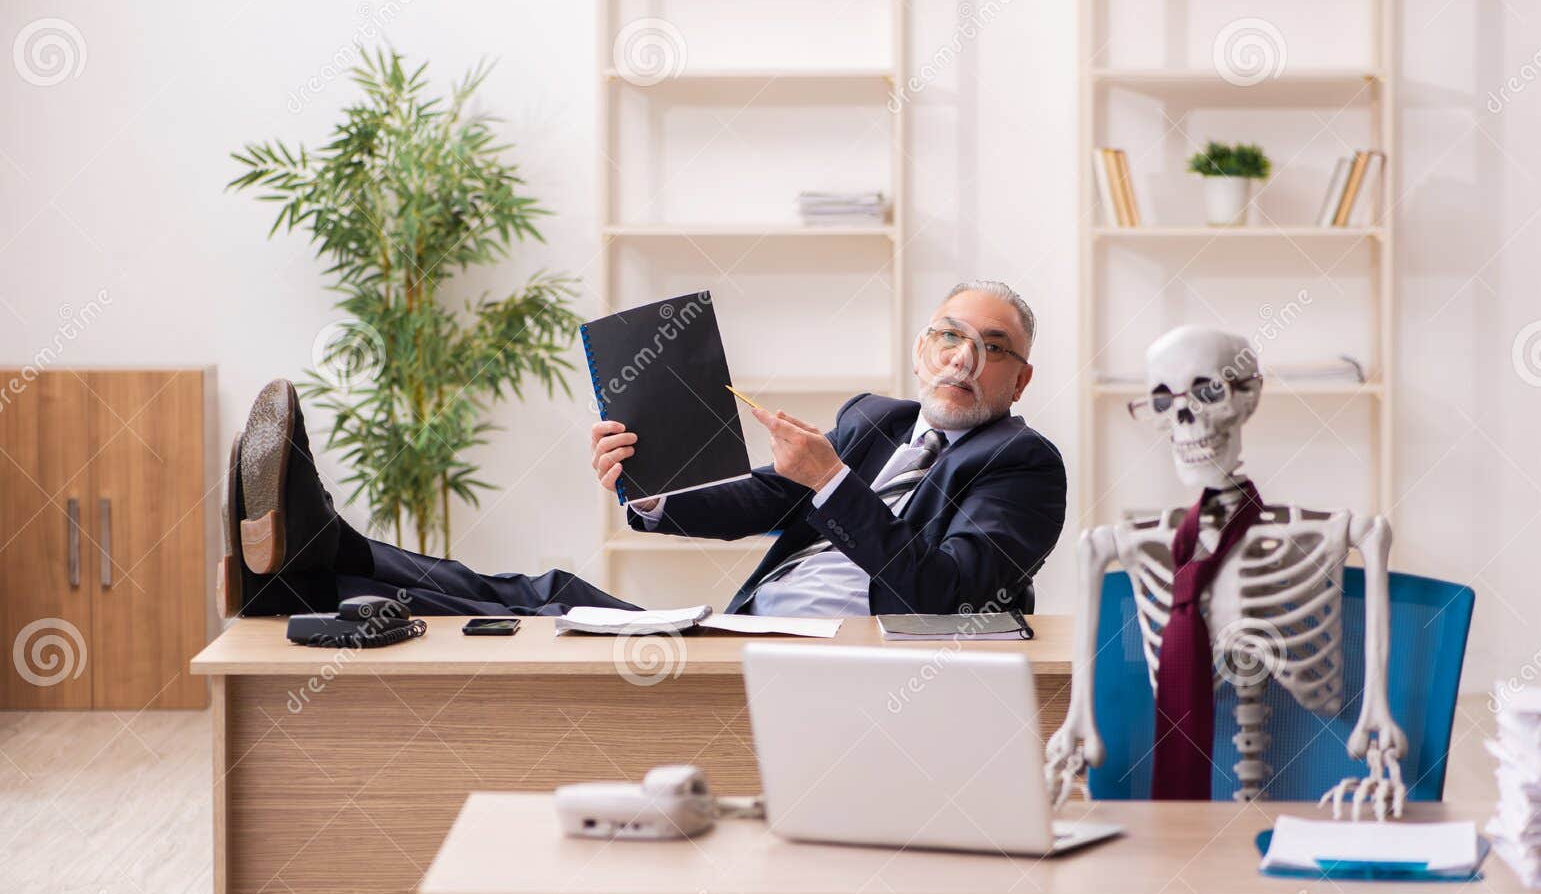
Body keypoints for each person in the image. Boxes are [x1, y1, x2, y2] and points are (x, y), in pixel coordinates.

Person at [220, 279, 1067, 619]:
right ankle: (321, 562)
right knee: (550, 597)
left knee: (549, 607)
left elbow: (942, 593)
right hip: (753, 636)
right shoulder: (875, 419)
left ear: (1019, 380)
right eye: (950, 334)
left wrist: (834, 483)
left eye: (992, 348)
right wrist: (649, 486)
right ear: (922, 348)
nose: (965, 358)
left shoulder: (1023, 465)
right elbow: (764, 498)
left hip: (842, 669)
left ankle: (317, 566)